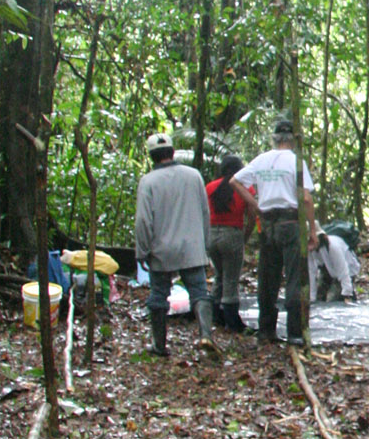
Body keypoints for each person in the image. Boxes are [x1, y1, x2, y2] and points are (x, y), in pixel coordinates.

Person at [232, 113, 315, 346]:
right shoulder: (296, 162)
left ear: (275, 138)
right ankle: (295, 332)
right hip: (290, 223)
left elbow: (235, 181)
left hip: (268, 224)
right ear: (293, 139)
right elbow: (306, 198)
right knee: (294, 277)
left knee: (268, 278)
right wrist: (312, 230)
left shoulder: (261, 160)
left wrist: (255, 204)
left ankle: (266, 329)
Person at [135, 131, 218, 360]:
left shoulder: (148, 182)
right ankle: (206, 335)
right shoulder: (193, 176)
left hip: (161, 249)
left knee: (158, 295)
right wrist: (205, 244)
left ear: (151, 157)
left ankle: (159, 344)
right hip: (191, 246)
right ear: (172, 152)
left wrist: (142, 250)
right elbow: (205, 212)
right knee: (199, 292)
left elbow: (143, 220)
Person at [207, 153, 253, 331]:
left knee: (219, 274)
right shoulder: (243, 188)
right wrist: (245, 237)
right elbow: (251, 214)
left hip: (212, 234)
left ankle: (215, 315)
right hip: (232, 233)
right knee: (231, 278)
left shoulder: (210, 187)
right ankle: (232, 320)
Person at [310, 221, 360, 304]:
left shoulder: (333, 246)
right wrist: (312, 298)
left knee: (333, 301)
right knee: (319, 298)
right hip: (328, 271)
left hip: (347, 271)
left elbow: (343, 271)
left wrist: (347, 294)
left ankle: (350, 296)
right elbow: (311, 271)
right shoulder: (310, 249)